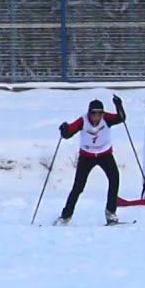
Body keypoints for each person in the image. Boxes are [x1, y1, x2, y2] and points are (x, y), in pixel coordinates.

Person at [55, 96, 127, 225]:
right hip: (87, 156)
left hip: (105, 154)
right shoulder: (83, 121)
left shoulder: (106, 119)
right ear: (89, 113)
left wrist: (118, 105)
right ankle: (65, 216)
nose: (97, 116)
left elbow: (121, 118)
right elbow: (69, 133)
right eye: (94, 113)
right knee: (78, 187)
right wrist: (64, 130)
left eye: (100, 113)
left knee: (114, 178)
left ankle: (111, 213)